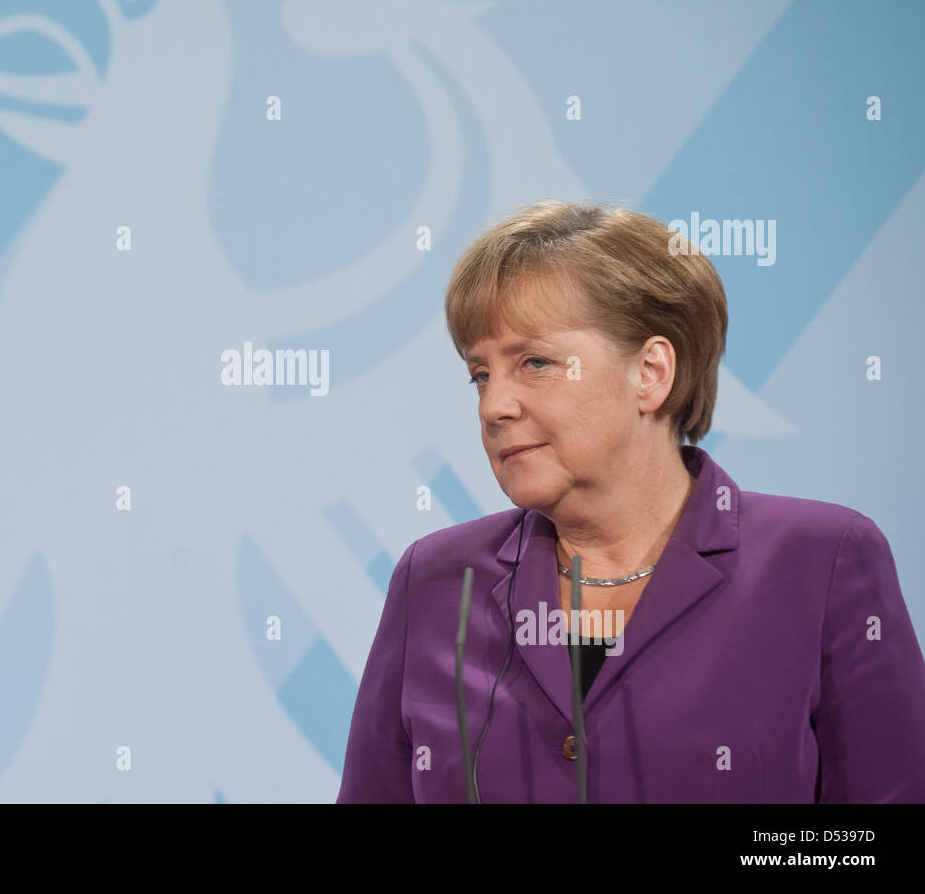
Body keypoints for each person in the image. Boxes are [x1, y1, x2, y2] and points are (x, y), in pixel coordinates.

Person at [336, 199, 925, 803]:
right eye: (481, 375)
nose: (494, 407)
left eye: (533, 362)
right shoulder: (434, 581)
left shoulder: (821, 563)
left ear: (650, 372)